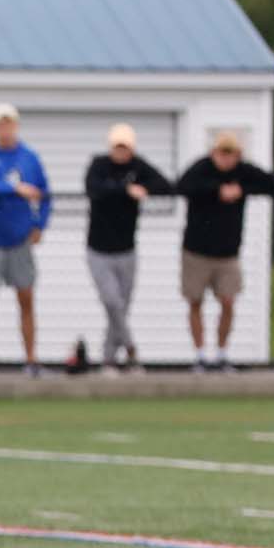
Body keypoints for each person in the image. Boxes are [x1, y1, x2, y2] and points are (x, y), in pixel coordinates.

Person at [177, 132, 274, 373]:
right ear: (214, 152)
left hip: (228, 253)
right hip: (196, 251)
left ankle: (222, 354)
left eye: (231, 153)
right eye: (222, 152)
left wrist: (242, 190)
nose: (226, 158)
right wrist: (217, 191)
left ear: (238, 155)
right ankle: (200, 355)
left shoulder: (243, 172)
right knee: (195, 302)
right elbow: (181, 186)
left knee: (228, 301)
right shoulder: (201, 169)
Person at [84, 123, 174, 374]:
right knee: (112, 301)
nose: (121, 152)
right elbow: (95, 190)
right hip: (99, 250)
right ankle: (131, 349)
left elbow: (166, 185)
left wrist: (145, 188)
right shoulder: (99, 165)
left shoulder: (138, 167)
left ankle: (109, 360)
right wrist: (125, 190)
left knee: (121, 307)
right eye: (117, 147)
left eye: (125, 147)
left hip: (127, 250)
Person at [0, 103, 51, 378]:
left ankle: (30, 360)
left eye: (9, 123)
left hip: (20, 239)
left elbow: (44, 193)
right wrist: (15, 189)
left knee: (27, 299)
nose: (4, 129)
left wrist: (40, 224)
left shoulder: (29, 157)